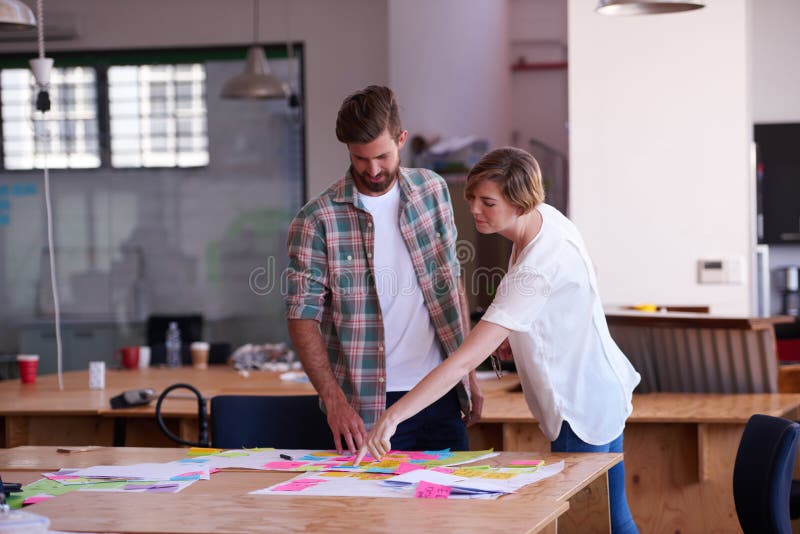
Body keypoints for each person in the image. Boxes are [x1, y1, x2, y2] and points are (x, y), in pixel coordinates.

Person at [356, 147, 641, 534]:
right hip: (600, 389)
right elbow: (582, 284)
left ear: (520, 202)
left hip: (579, 407)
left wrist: (393, 416)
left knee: (590, 525)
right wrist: (524, 332)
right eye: (472, 197)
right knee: (613, 520)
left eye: (488, 202)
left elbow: (461, 362)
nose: (475, 209)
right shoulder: (548, 221)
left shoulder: (534, 268)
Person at [285, 85, 483, 455]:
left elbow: (451, 283)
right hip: (364, 409)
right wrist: (334, 402)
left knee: (452, 510)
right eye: (360, 159)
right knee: (370, 512)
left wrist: (467, 375)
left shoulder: (433, 191)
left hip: (439, 395)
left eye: (382, 156)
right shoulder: (317, 220)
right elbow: (301, 316)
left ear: (401, 140)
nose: (372, 170)